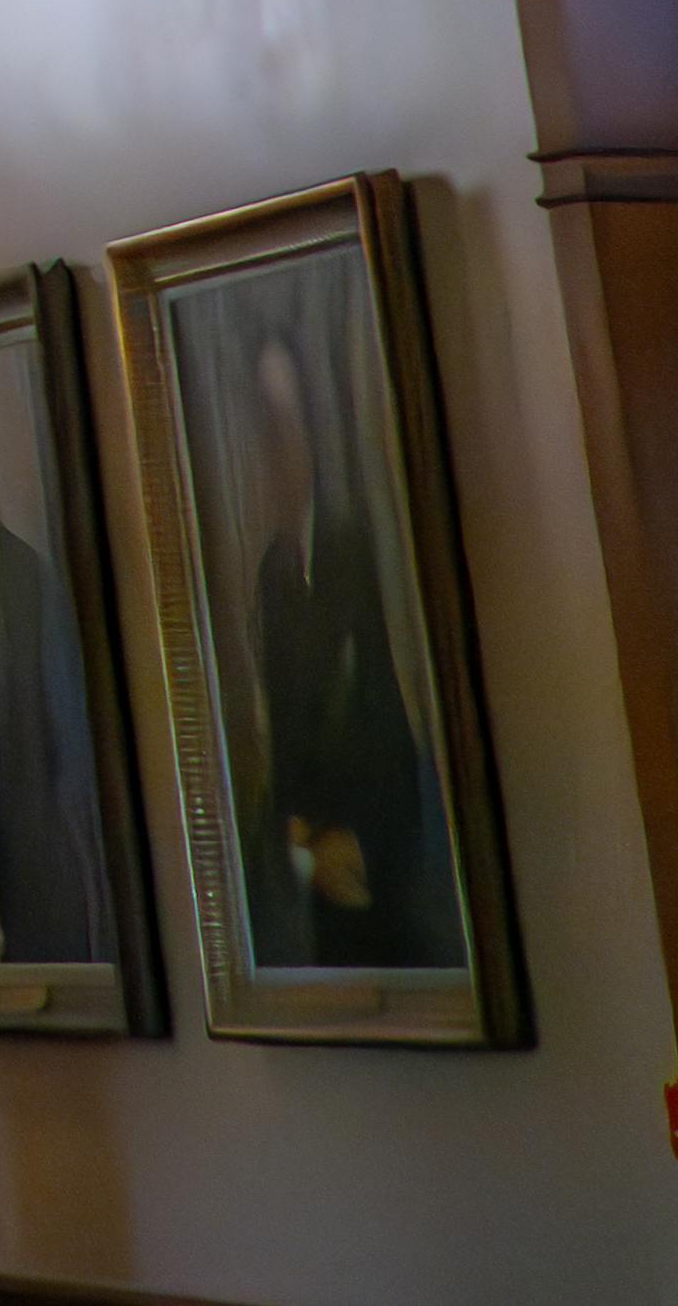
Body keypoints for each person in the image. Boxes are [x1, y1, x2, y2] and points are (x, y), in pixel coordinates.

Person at [225, 302, 463, 967]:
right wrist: (302, 844)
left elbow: (380, 714)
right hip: (313, 853)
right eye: (270, 429)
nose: (284, 445)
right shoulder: (275, 572)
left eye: (291, 422)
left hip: (376, 842)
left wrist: (349, 839)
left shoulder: (351, 548)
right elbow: (288, 734)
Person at [0, 394, 116, 974]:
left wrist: (69, 811)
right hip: (8, 815)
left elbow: (62, 699)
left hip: (50, 805)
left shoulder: (31, 571)